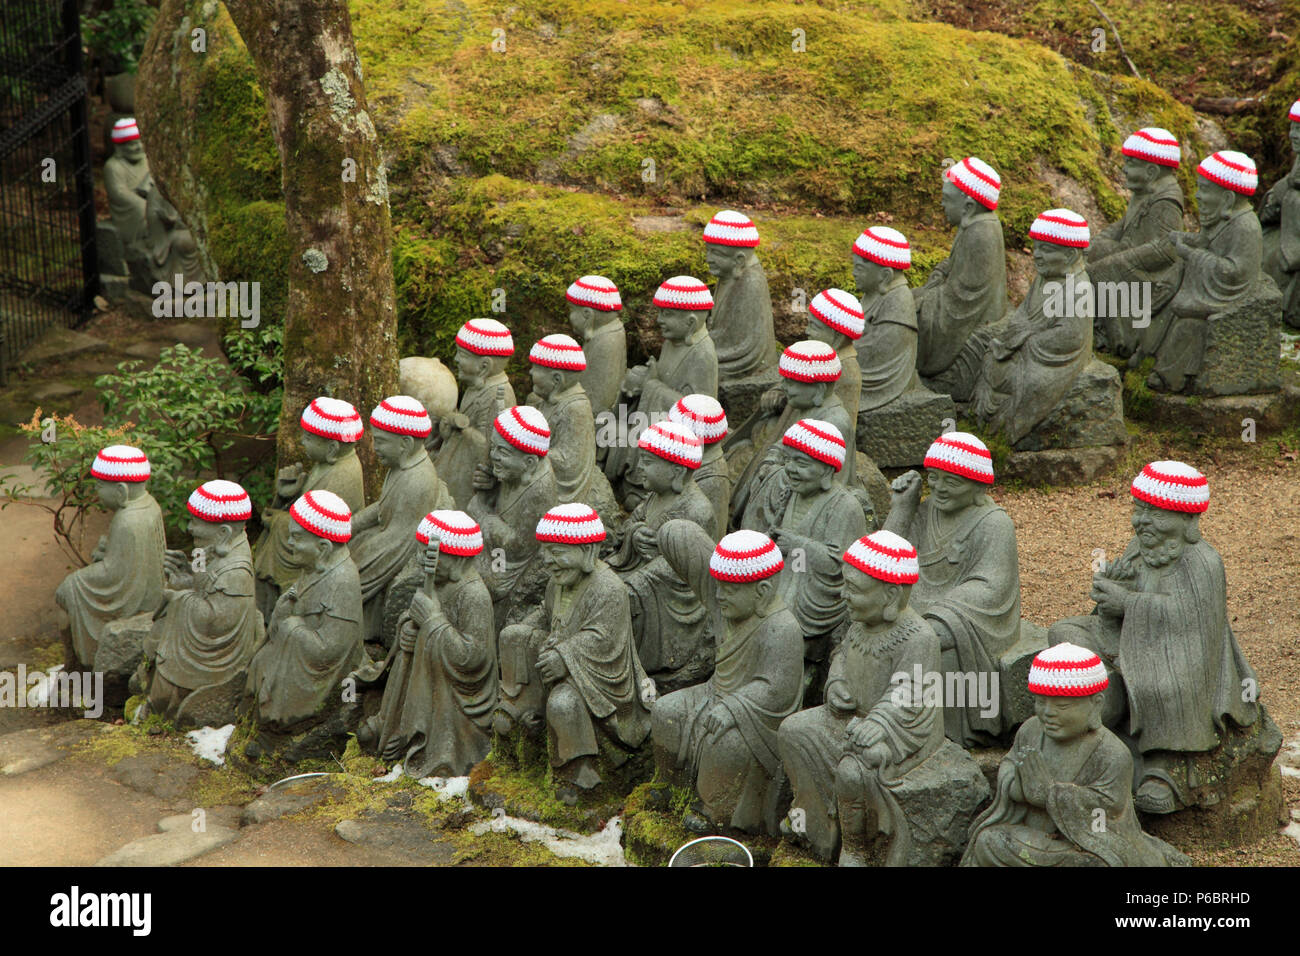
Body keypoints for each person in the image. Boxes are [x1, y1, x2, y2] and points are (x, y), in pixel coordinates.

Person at [1047, 460, 1263, 813]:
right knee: (1065, 633)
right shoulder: (1140, 548)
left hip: (1182, 659)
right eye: (1139, 510)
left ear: (1187, 520)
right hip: (1132, 641)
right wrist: (1112, 593)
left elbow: (1190, 623)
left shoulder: (1202, 562)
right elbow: (1124, 599)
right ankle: (1097, 722)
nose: (1142, 521)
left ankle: (1165, 768)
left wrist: (1128, 603)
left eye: (1156, 513)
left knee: (1162, 685)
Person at [778, 531, 945, 865]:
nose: (844, 595)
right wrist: (836, 683)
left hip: (901, 734)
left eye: (854, 589)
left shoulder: (919, 638)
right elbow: (843, 655)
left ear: (890, 593)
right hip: (852, 720)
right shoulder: (858, 622)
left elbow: (911, 691)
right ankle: (815, 824)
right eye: (845, 585)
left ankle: (856, 847)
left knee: (856, 770)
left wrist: (879, 723)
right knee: (793, 731)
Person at [962, 643, 1188, 866]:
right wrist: (1016, 787)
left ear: (1095, 704)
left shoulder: (1112, 753)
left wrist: (1050, 795)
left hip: (1086, 842)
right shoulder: (1031, 731)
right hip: (1032, 835)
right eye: (1041, 702)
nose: (1048, 713)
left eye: (1062, 707)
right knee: (988, 841)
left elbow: (1105, 813)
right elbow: (1010, 765)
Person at [652, 526, 803, 834]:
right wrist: (670, 530)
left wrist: (733, 707)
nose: (718, 595)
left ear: (761, 591)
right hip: (715, 692)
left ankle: (715, 811)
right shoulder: (727, 607)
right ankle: (671, 785)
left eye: (729, 589)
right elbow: (683, 546)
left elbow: (777, 688)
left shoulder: (781, 628)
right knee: (665, 711)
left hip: (758, 718)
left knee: (723, 743)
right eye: (718, 586)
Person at [494, 504, 651, 801]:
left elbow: (604, 641)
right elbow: (547, 615)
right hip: (564, 657)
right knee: (513, 635)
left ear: (589, 550)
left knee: (564, 703)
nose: (548, 561)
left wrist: (564, 656)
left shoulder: (609, 589)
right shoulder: (558, 583)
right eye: (546, 552)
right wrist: (523, 633)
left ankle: (578, 772)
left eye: (558, 552)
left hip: (600, 679)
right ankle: (519, 707)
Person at [883, 431, 1021, 746]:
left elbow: (991, 587)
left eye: (952, 481)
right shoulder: (925, 510)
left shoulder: (993, 523)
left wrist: (939, 614)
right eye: (934, 478)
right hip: (913, 602)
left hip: (967, 616)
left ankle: (928, 732)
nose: (940, 489)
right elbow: (884, 559)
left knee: (927, 642)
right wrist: (901, 509)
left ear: (977, 487)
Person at [243, 489, 364, 729]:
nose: (289, 544)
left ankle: (282, 725)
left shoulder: (342, 581)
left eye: (297, 538)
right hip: (299, 652)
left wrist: (292, 626)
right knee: (260, 662)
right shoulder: (314, 567)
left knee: (270, 672)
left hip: (323, 671)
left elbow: (332, 651)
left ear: (323, 548)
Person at [147, 480, 263, 720]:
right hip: (201, 634)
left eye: (195, 523)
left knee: (163, 645)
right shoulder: (206, 548)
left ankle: (164, 705)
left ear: (223, 533)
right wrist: (185, 574)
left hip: (218, 653)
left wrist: (179, 598)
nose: (189, 528)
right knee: (156, 633)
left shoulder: (236, 571)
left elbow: (217, 622)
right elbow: (200, 581)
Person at [254, 396, 365, 621]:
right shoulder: (325, 464)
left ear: (332, 448)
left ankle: (272, 614)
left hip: (320, 551)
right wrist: (287, 497)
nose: (302, 443)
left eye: (308, 438)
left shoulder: (344, 475)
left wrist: (277, 520)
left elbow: (318, 529)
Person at [55, 445, 165, 668]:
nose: (96, 492)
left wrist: (76, 581)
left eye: (99, 486)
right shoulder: (148, 505)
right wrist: (108, 553)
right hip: (147, 591)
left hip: (138, 601)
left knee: (66, 592)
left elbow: (114, 574)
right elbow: (126, 561)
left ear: (121, 491)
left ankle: (77, 666)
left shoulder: (128, 521)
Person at [913, 156, 1006, 401]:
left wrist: (925, 301)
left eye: (947, 199)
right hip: (953, 300)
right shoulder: (972, 226)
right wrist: (936, 279)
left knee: (909, 313)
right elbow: (951, 268)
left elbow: (964, 297)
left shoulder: (981, 233)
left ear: (968, 206)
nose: (942, 205)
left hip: (973, 316)